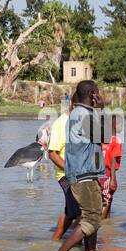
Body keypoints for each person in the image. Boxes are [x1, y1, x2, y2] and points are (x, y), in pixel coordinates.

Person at [49, 81, 112, 251]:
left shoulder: (80, 114)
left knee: (90, 219)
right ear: (93, 95)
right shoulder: (83, 115)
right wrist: (101, 110)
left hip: (85, 175)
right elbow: (106, 135)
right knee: (92, 220)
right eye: (98, 94)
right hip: (84, 176)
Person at [46, 101, 81, 240]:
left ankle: (55, 240)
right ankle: (71, 248)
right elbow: (52, 153)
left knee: (71, 212)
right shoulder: (61, 123)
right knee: (82, 213)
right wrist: (70, 169)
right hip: (66, 175)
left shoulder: (82, 120)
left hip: (81, 175)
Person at [101, 114, 123, 216]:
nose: (122, 126)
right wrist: (113, 179)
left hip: (98, 173)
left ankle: (106, 223)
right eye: (121, 124)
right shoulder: (116, 141)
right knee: (107, 199)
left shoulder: (102, 140)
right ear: (115, 125)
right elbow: (113, 159)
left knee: (103, 199)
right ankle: (99, 223)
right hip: (108, 174)